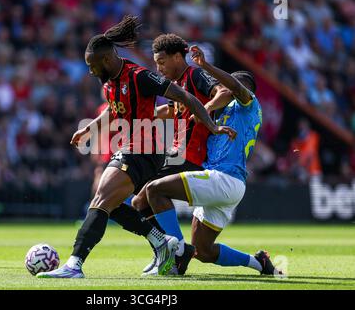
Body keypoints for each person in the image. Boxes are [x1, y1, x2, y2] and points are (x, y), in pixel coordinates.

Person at [36, 16, 236, 279]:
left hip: (146, 149)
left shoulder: (140, 76)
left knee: (101, 200)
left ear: (106, 60)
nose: (90, 71)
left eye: (92, 65)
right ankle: (163, 243)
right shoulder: (109, 84)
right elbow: (113, 110)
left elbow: (186, 97)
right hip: (131, 147)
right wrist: (89, 129)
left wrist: (211, 125)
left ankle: (75, 264)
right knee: (110, 203)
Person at [144, 45, 281, 276]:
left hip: (223, 178)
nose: (224, 91)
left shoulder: (249, 106)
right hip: (227, 184)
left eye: (229, 87)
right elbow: (175, 108)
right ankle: (259, 263)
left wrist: (205, 66)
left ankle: (176, 254)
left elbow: (235, 87)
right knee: (202, 251)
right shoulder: (218, 113)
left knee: (155, 191)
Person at [114, 33, 234, 276]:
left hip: (191, 155)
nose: (158, 68)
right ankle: (167, 251)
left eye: (162, 62)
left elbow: (224, 92)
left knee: (140, 199)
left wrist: (205, 110)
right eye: (156, 63)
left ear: (179, 57)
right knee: (139, 202)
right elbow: (170, 110)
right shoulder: (177, 86)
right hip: (177, 153)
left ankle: (175, 251)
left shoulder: (195, 75)